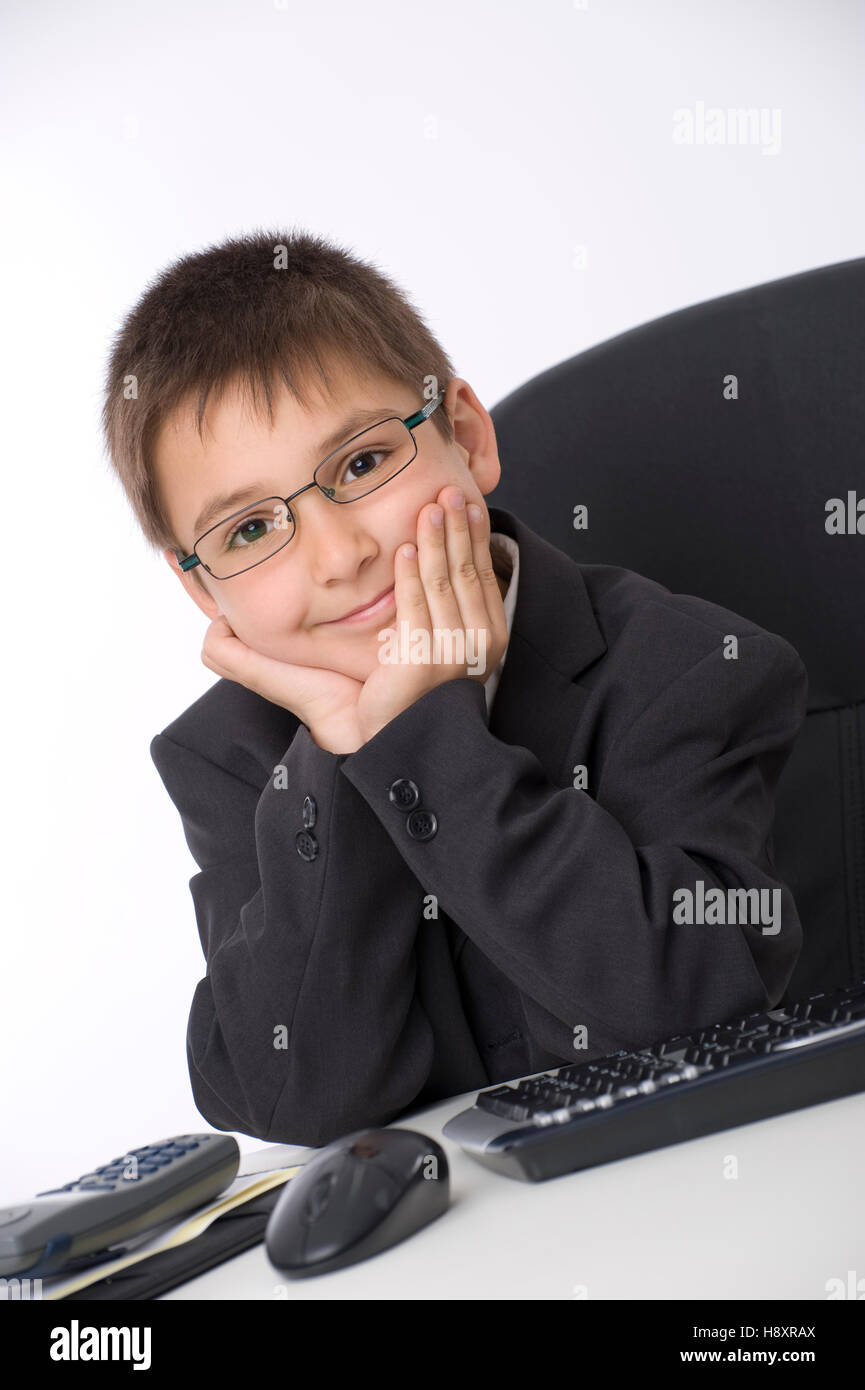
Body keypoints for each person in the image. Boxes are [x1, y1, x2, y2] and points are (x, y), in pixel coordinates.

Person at [101, 228, 809, 1146]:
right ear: (202, 587)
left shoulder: (685, 666)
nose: (340, 556)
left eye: (360, 465)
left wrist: (421, 742)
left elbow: (691, 1012)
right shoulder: (232, 754)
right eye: (247, 530)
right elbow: (289, 1099)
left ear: (465, 438)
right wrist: (339, 751)